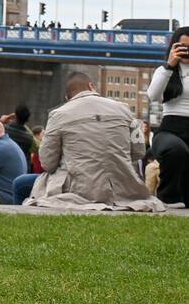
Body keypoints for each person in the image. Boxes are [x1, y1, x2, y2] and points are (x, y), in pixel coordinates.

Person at [21, 73, 161, 210]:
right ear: (91, 86)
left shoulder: (58, 114)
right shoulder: (124, 109)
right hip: (123, 189)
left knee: (19, 184)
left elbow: (47, 164)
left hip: (78, 191)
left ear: (67, 98)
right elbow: (139, 152)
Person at [143, 29, 189, 207]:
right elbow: (153, 95)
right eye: (182, 47)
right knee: (176, 149)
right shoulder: (164, 71)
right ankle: (168, 197)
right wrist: (170, 65)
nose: (186, 52)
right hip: (170, 129)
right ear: (173, 47)